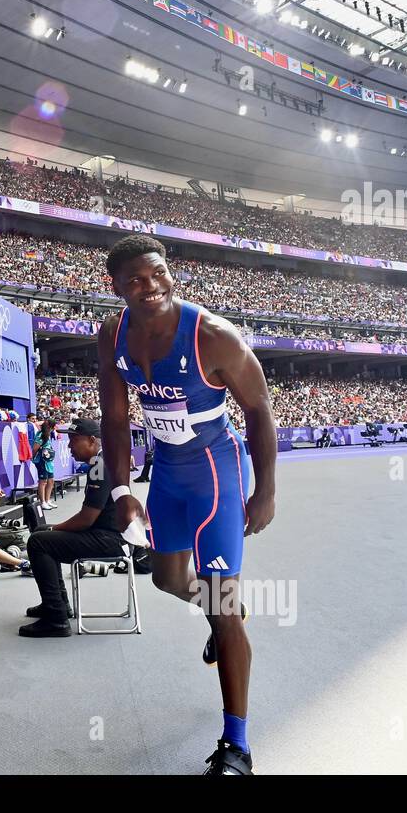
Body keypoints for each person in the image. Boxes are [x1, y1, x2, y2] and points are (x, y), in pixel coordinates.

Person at [97, 235, 276, 776]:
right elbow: (113, 418)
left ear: (168, 272)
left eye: (155, 274)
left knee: (220, 603)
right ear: (117, 287)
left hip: (217, 474)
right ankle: (226, 616)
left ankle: (237, 747)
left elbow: (260, 409)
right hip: (169, 474)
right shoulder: (111, 335)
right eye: (134, 280)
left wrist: (264, 490)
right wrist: (122, 491)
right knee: (168, 580)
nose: (148, 286)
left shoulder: (214, 336)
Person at [19, 418, 129, 637]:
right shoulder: (104, 461)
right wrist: (53, 529)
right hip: (107, 534)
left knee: (39, 541)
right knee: (42, 534)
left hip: (108, 540)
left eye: (73, 440)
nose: (68, 446)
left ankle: (56, 618)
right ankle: (58, 604)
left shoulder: (100, 465)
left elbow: (87, 518)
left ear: (92, 441)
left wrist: (55, 529)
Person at [34, 419, 57, 508]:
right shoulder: (41, 434)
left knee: (51, 481)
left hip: (49, 462)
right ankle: (42, 502)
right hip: (41, 461)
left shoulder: (48, 434)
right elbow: (35, 448)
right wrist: (33, 457)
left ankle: (47, 500)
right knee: (43, 481)